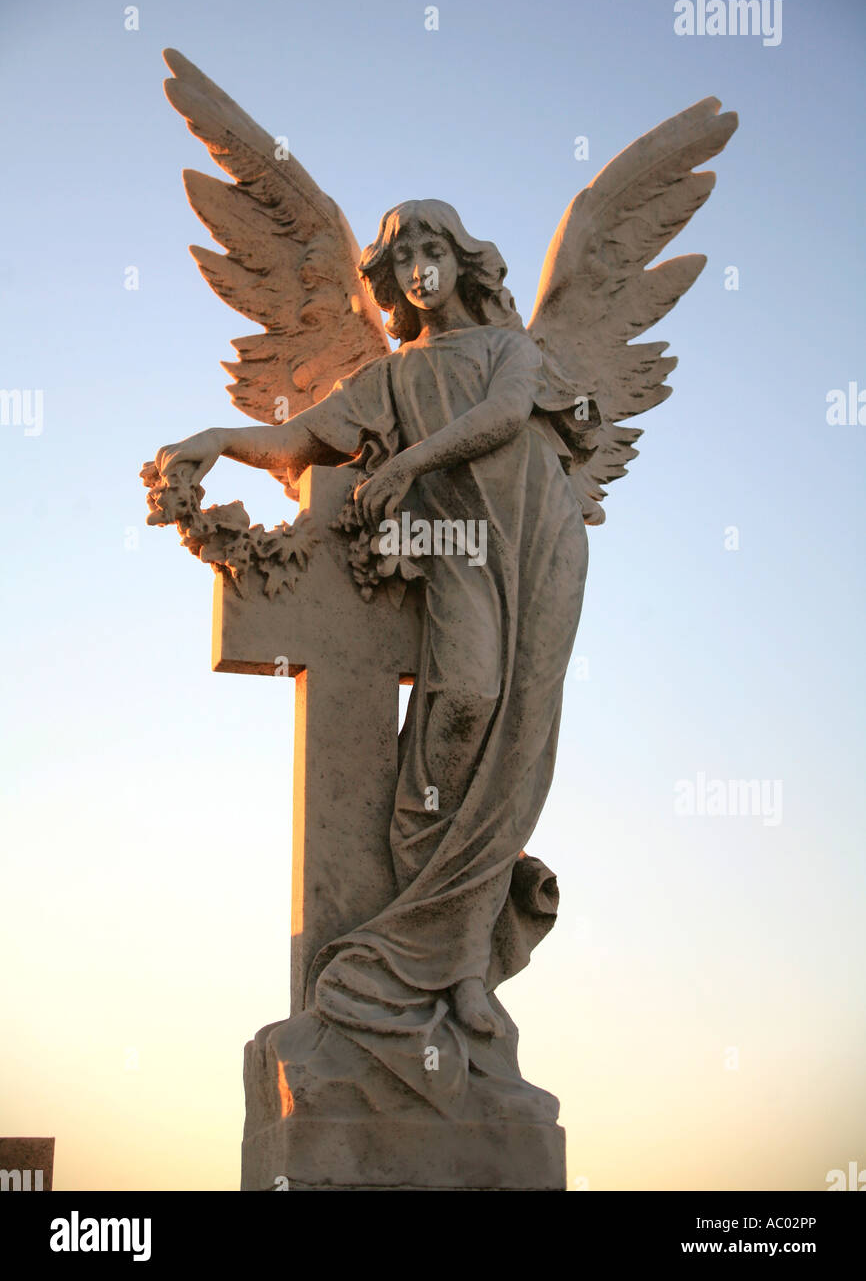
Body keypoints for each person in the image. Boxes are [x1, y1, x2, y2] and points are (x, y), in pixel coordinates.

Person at [156, 200, 589, 1115]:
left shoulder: (512, 353)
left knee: (517, 742)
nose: (421, 270)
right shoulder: (391, 380)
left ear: (461, 262)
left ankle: (464, 971)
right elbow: (293, 440)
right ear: (391, 283)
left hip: (538, 538)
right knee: (465, 704)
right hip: (465, 552)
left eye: (434, 251)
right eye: (403, 261)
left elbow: (509, 417)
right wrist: (213, 441)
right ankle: (427, 945)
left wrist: (400, 468)